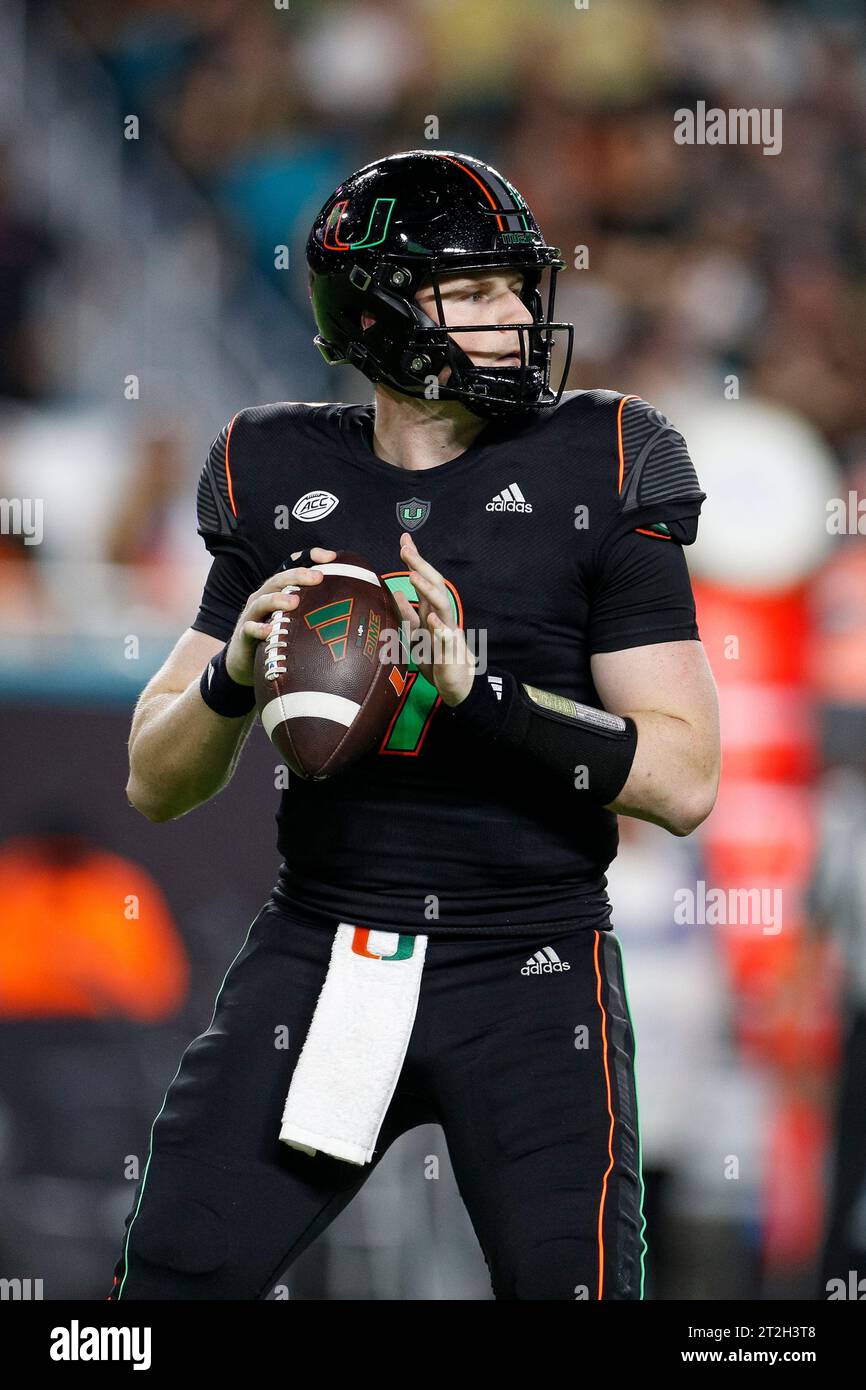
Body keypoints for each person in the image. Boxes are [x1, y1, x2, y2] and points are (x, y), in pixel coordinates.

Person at [108, 149, 720, 1301]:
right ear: (383, 314)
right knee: (165, 1288)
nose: (515, 315)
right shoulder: (272, 464)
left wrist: (472, 691)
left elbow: (684, 778)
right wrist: (235, 672)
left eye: (514, 286)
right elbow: (154, 778)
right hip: (328, 949)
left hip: (530, 962)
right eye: (476, 292)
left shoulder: (605, 457)